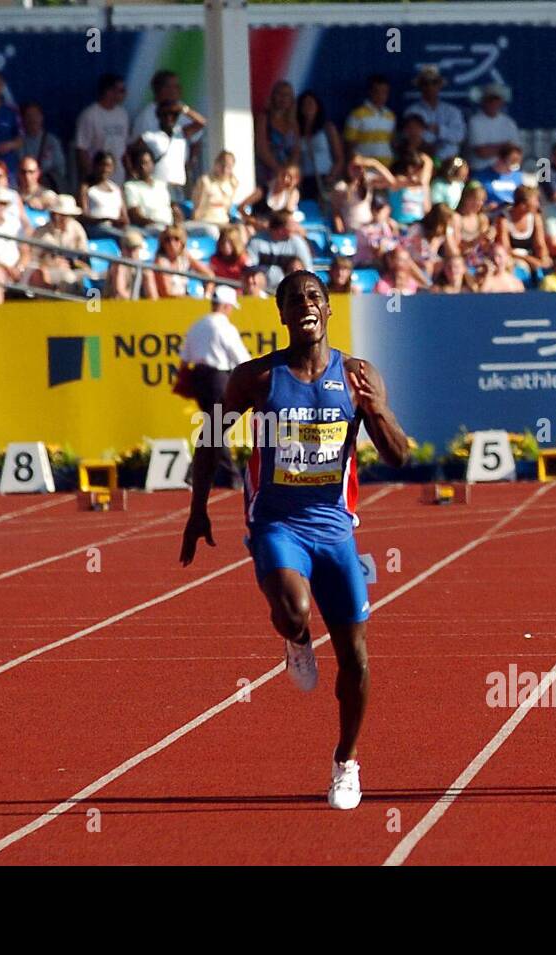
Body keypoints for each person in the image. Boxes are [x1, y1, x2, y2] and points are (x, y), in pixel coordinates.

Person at [180, 270, 409, 810]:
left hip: (334, 527)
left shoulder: (357, 374)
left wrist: (374, 408)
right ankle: (296, 636)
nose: (304, 305)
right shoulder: (256, 379)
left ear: (328, 310)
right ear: (281, 315)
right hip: (277, 524)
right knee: (293, 607)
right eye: (292, 300)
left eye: (313, 297)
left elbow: (399, 455)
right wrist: (197, 511)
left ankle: (345, 762)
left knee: (355, 658)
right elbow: (210, 441)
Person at [177, 285, 252, 487]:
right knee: (217, 428)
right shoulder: (224, 327)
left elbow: (184, 358)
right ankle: (227, 476)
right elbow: (241, 358)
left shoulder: (197, 325)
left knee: (214, 427)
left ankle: (198, 471)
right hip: (218, 378)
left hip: (199, 377)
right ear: (227, 306)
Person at [404, 65, 465, 162]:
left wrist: (438, 129)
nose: (430, 87)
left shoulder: (452, 111)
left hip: (450, 163)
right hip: (421, 162)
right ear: (420, 86)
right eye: (425, 83)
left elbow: (459, 137)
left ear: (440, 85)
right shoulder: (412, 111)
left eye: (434, 83)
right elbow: (413, 139)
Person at [75, 74, 129, 185]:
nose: (125, 94)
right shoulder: (90, 115)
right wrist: (92, 176)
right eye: (121, 90)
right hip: (98, 177)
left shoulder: (123, 114)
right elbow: (82, 149)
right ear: (109, 91)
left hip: (118, 177)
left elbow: (124, 147)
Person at [343, 75, 396, 165]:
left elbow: (390, 142)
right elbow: (349, 144)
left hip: (387, 168)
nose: (380, 96)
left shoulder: (391, 116)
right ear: (370, 92)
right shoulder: (357, 115)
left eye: (384, 92)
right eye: (377, 92)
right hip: (364, 169)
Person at [468, 83, 520, 172]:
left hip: (505, 172)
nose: (493, 103)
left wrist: (493, 148)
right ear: (483, 101)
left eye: (496, 99)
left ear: (502, 102)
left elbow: (515, 153)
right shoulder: (474, 122)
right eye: (489, 99)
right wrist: (505, 147)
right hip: (480, 171)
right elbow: (482, 152)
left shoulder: (509, 123)